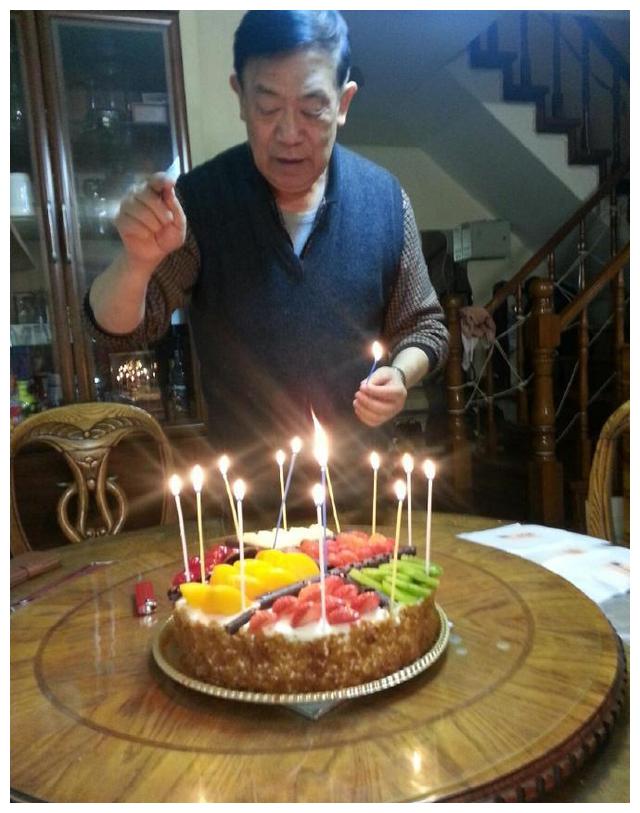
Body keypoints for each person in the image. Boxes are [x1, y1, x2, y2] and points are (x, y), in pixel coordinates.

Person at [86, 10, 449, 516]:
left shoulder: (384, 200)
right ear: (240, 96)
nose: (289, 133)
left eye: (312, 107)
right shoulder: (202, 201)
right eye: (268, 106)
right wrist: (136, 261)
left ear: (344, 103)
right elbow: (119, 329)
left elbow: (426, 327)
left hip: (361, 505)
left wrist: (401, 375)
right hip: (242, 512)